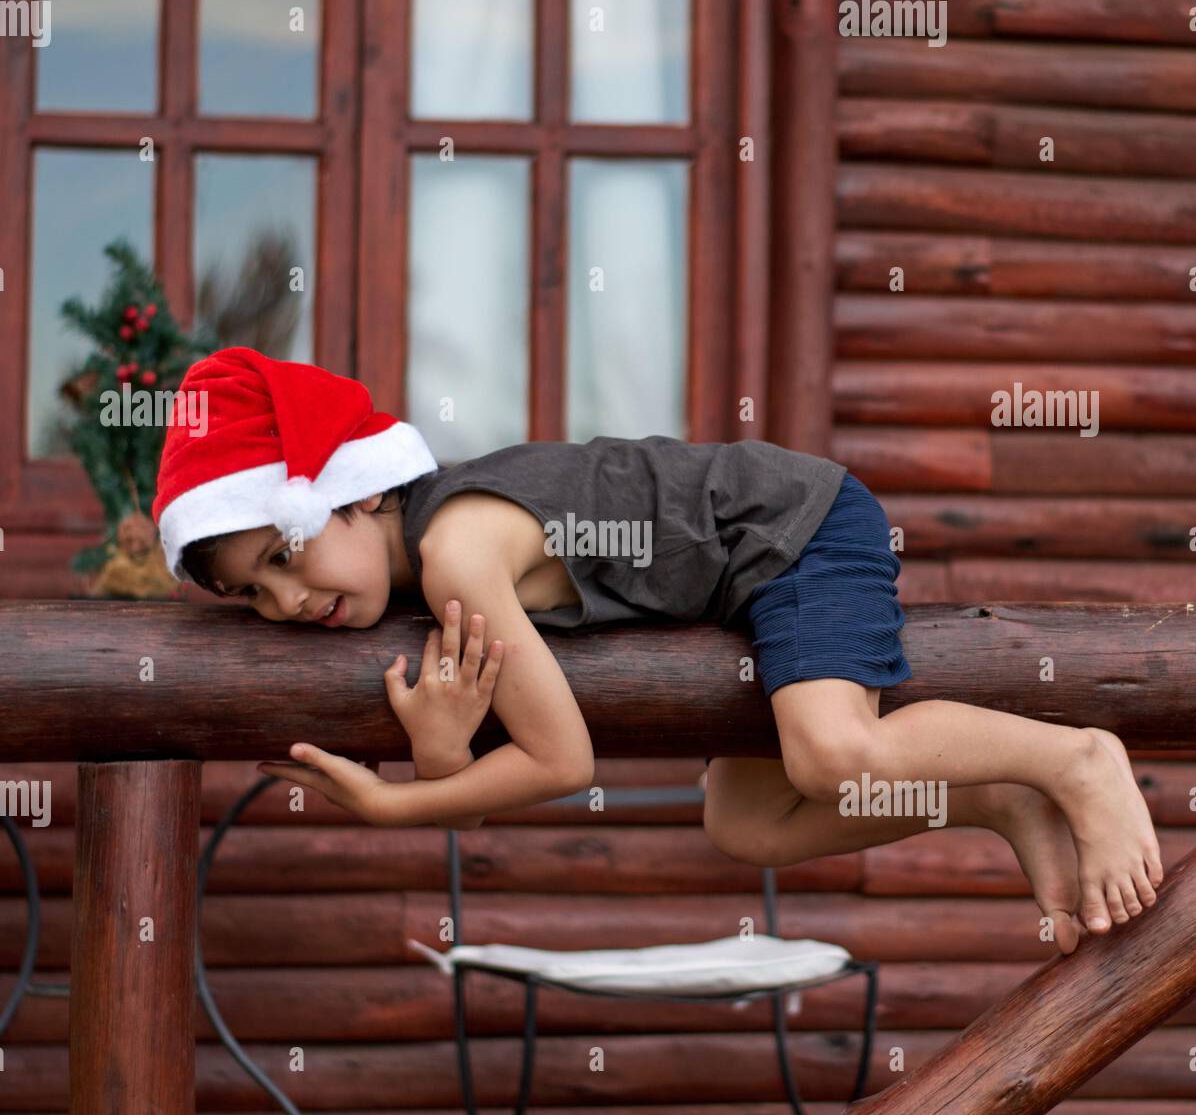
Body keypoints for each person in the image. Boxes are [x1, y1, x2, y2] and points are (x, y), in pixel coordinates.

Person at [152, 347, 1162, 956]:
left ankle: (1073, 759)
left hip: (787, 529)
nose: (285, 598)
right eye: (251, 591)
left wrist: (393, 802)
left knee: (827, 753)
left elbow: (562, 761)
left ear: (359, 488)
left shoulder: (457, 550)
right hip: (728, 594)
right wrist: (446, 752)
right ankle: (995, 797)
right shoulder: (424, 573)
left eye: (282, 552)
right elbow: (516, 738)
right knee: (747, 821)